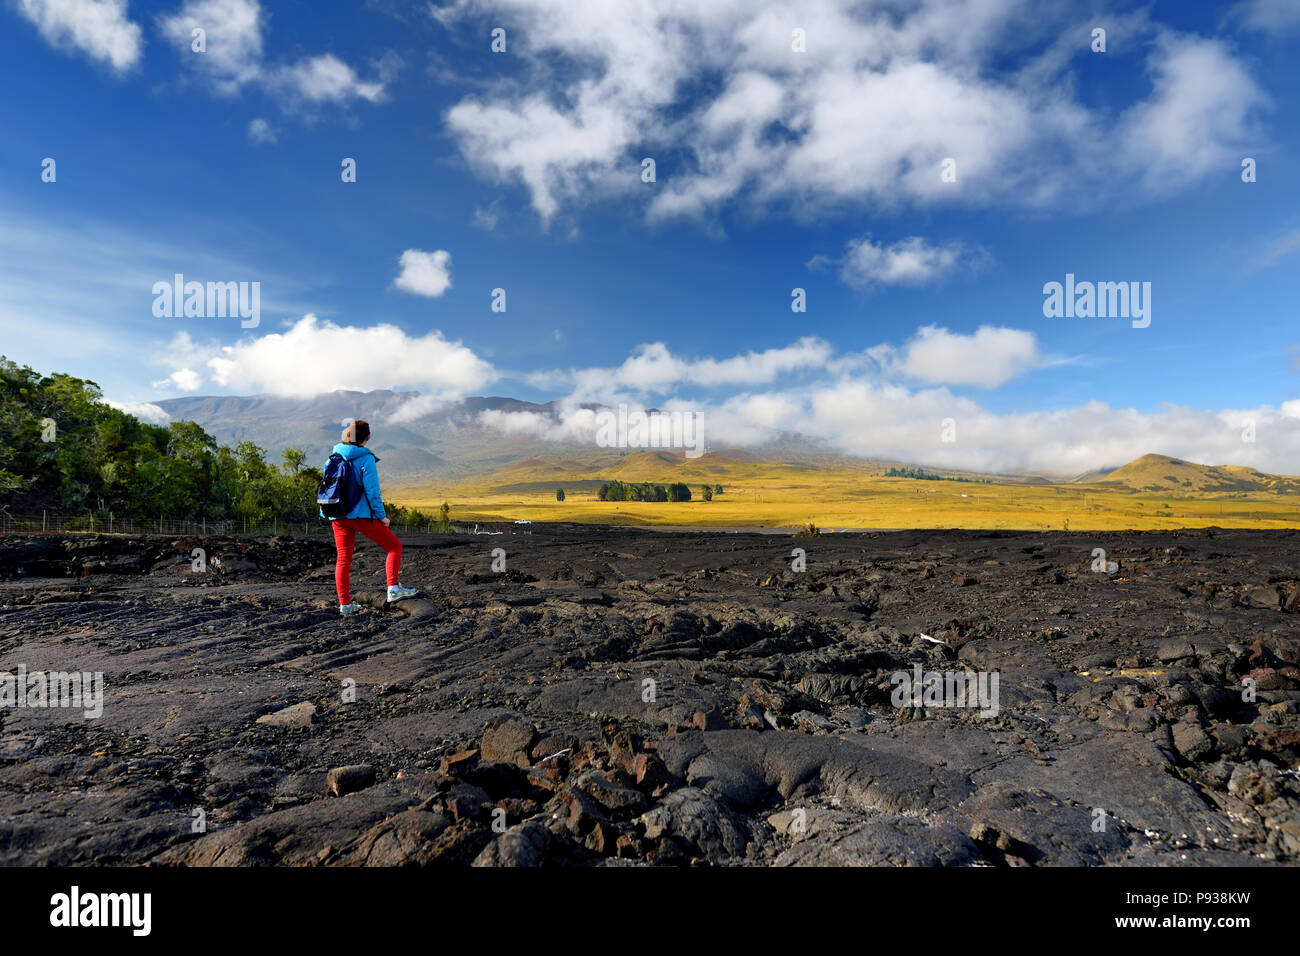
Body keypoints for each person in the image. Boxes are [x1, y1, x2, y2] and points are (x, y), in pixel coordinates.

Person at [322, 419, 419, 615]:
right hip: (360, 516)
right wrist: (382, 516)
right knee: (394, 547)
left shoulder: (332, 457)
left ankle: (346, 605)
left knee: (343, 560)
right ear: (367, 437)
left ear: (347, 435)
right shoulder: (365, 458)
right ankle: (393, 589)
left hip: (337, 515)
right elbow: (372, 492)